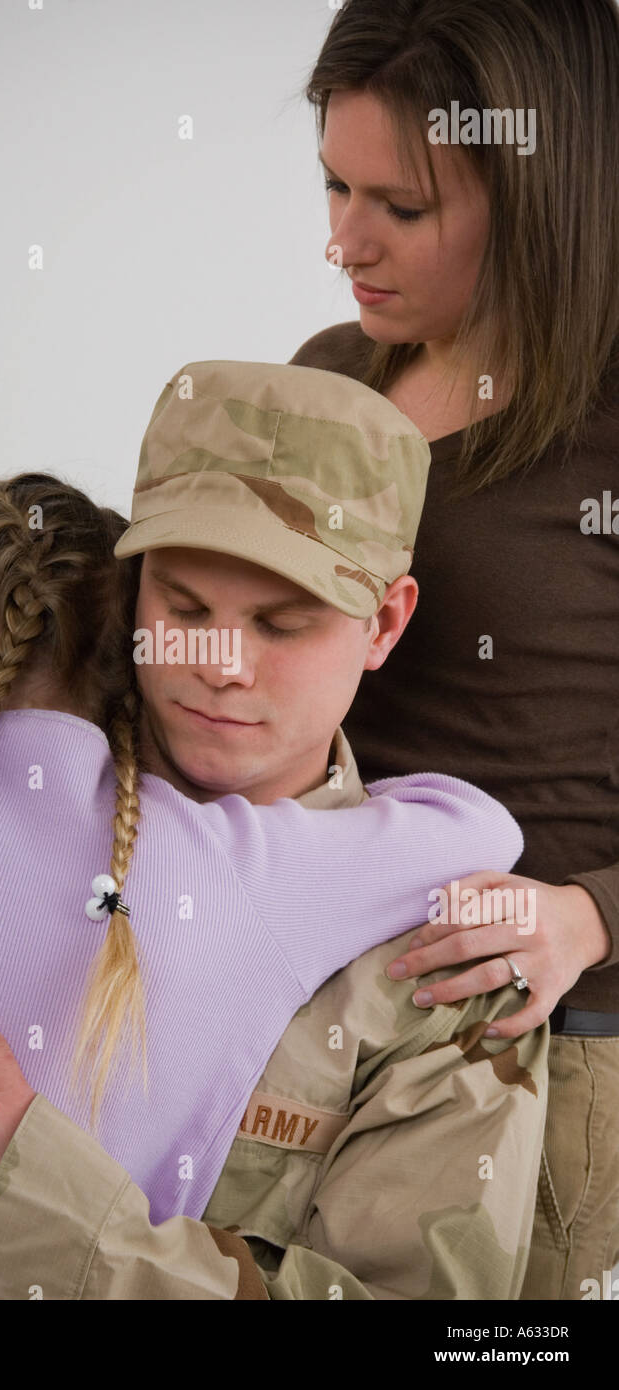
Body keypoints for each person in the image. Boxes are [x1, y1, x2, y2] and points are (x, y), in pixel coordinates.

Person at [0, 363, 548, 1300]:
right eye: (182, 609)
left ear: (383, 622)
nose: (220, 666)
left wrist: (42, 1230)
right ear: (127, 587)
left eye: (281, 623)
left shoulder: (452, 969)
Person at [287, 0, 619, 1301]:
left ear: (542, 194)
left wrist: (582, 918)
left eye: (399, 207)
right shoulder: (330, 378)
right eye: (330, 183)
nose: (339, 242)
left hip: (529, 1050)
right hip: (303, 1019)